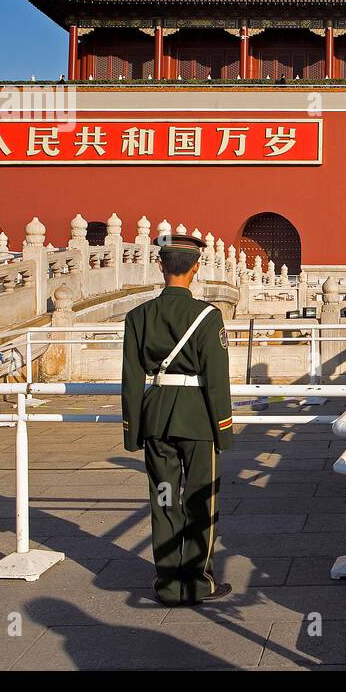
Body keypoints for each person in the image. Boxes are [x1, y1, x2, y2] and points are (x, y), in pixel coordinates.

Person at [121, 233, 234, 606]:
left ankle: (168, 583)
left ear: (160, 266)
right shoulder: (207, 315)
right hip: (198, 419)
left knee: (164, 499)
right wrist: (225, 430)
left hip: (156, 420)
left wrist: (132, 430)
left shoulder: (138, 316)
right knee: (200, 500)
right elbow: (216, 380)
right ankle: (198, 581)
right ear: (196, 267)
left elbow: (131, 378)